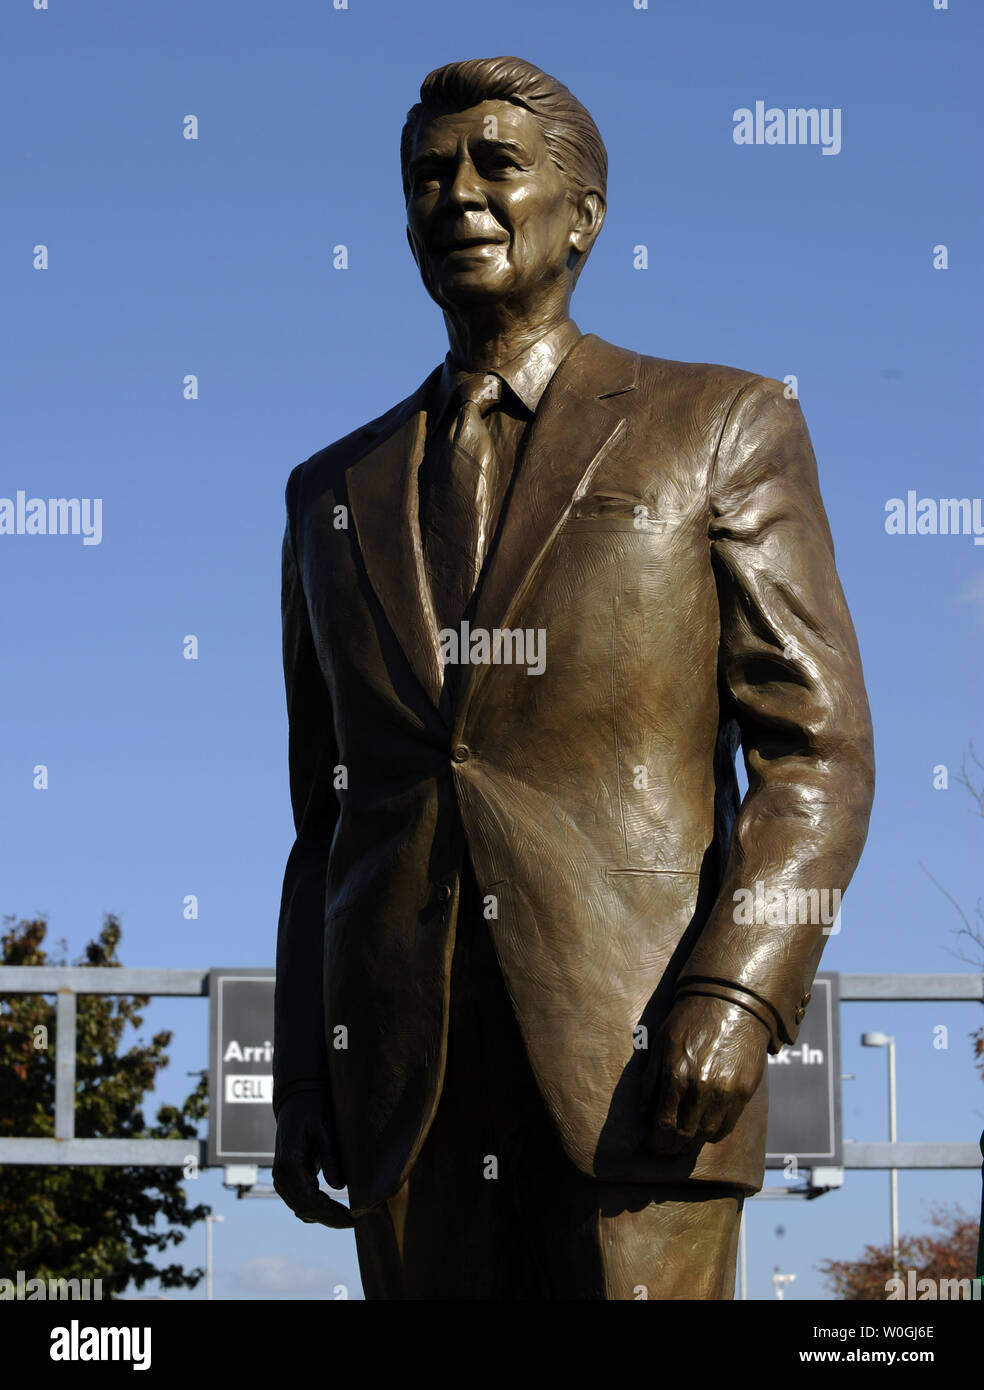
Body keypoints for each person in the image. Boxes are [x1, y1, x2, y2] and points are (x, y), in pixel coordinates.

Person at [271, 55, 874, 1299]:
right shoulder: (331, 491)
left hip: (641, 1061)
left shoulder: (722, 422)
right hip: (404, 1088)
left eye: (499, 164)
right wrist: (304, 1065)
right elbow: (324, 819)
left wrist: (739, 991)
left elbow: (815, 757)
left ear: (584, 216)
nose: (460, 195)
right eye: (430, 173)